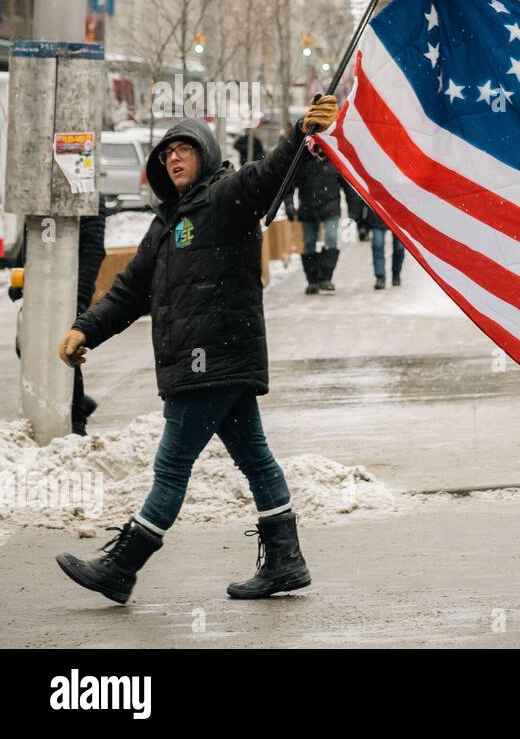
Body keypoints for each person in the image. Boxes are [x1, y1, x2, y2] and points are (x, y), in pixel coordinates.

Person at [52, 96, 339, 605]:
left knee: (171, 466)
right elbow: (128, 292)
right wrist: (85, 330)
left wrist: (299, 132)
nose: (175, 159)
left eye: (185, 149)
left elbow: (269, 174)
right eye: (167, 154)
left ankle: (123, 566)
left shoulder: (226, 197)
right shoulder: (165, 224)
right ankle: (285, 560)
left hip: (212, 358)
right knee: (256, 459)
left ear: (204, 154)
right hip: (213, 361)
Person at [7, 206, 106, 435]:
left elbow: (93, 251)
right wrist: (22, 276)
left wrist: (79, 298)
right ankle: (79, 403)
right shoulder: (41, 188)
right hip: (40, 289)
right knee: (26, 345)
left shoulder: (85, 195)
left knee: (65, 352)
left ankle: (76, 420)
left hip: (69, 291)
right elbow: (32, 238)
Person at [288, 140, 344, 295]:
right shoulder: (302, 160)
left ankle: (326, 277)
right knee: (308, 243)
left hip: (331, 208)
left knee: (331, 239)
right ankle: (312, 280)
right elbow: (289, 185)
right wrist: (288, 204)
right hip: (308, 208)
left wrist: (355, 211)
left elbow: (348, 185)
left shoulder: (335, 159)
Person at [360, 202, 404, 290]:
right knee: (377, 245)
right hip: (377, 213)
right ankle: (380, 277)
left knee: (399, 247)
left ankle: (396, 273)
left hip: (399, 213)